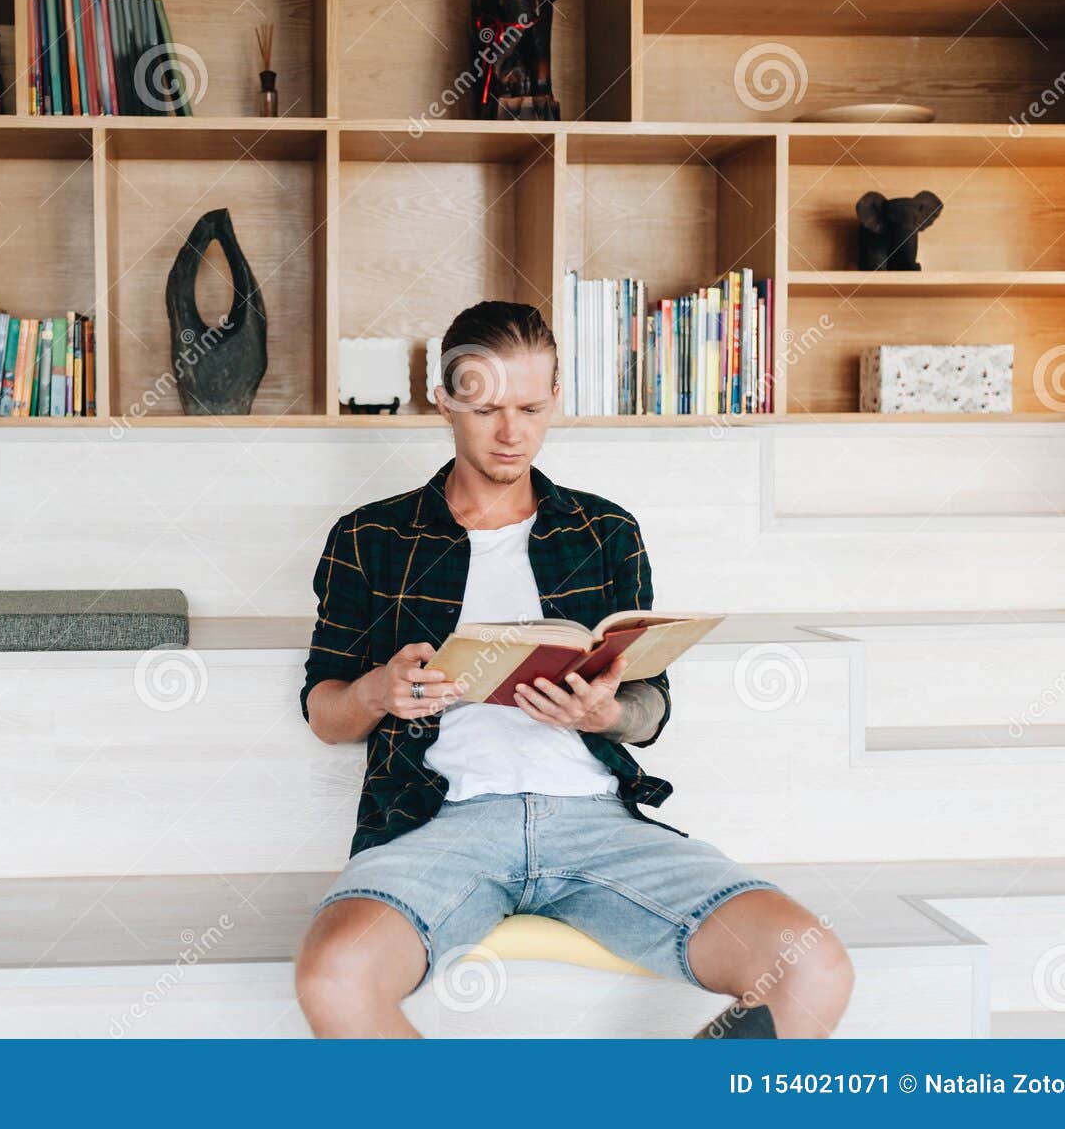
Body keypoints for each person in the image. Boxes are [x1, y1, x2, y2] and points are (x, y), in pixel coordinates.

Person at [293, 300, 853, 1038]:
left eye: (530, 405)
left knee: (813, 966)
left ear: (555, 397)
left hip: (596, 820)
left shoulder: (603, 530)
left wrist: (606, 713)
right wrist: (376, 690)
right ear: (445, 400)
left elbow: (652, 709)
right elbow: (324, 711)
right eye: (487, 407)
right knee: (332, 975)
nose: (511, 431)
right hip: (439, 822)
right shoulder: (370, 536)